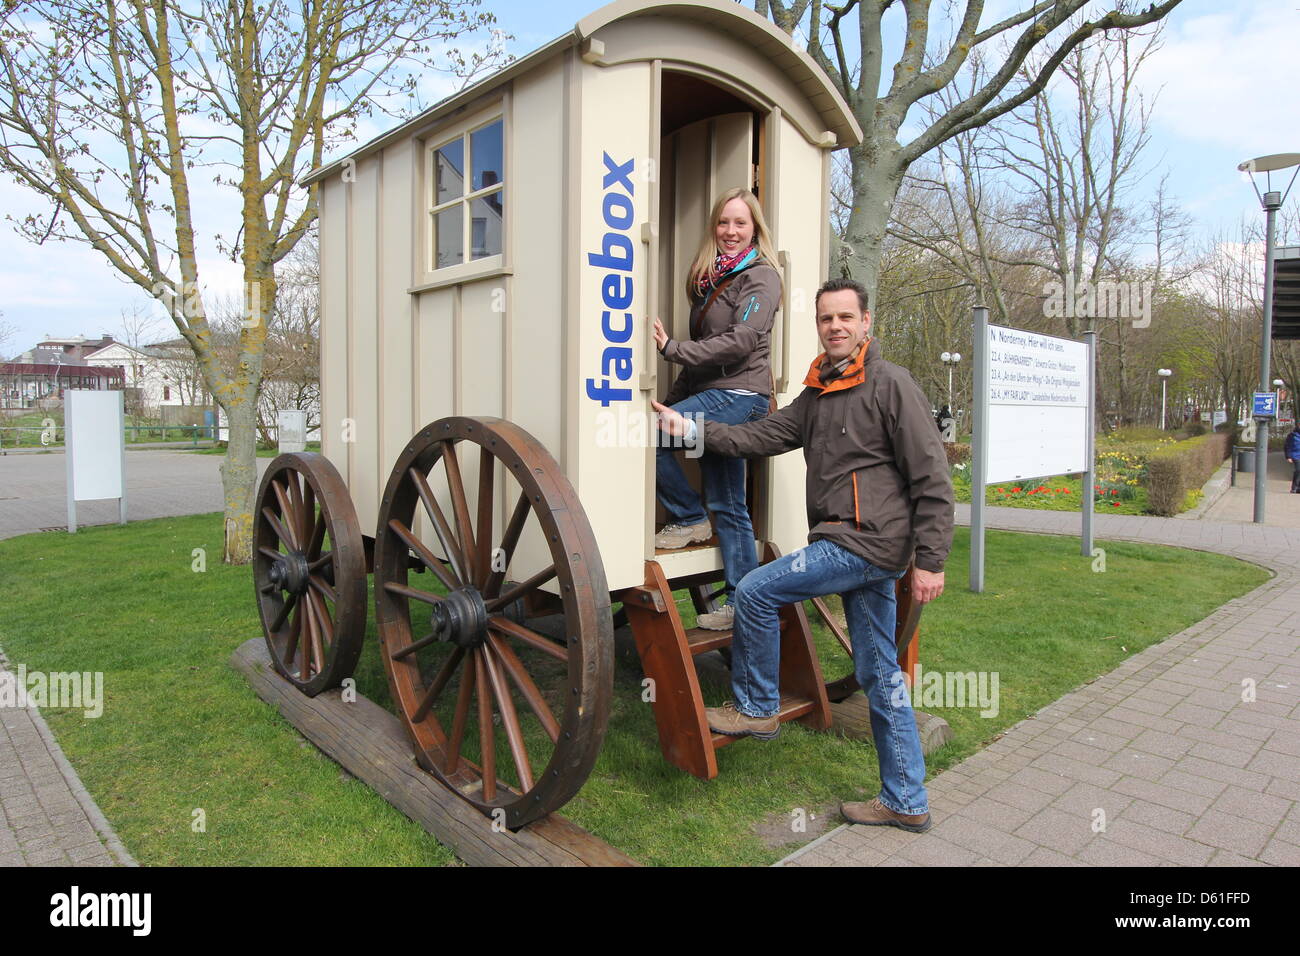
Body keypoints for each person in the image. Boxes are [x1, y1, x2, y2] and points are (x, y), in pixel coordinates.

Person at [652, 277, 954, 833]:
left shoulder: (891, 385)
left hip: (867, 542)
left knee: (757, 589)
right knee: (880, 672)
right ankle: (906, 801)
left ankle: (757, 708)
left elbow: (932, 477)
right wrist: (689, 427)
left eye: (845, 318)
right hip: (851, 544)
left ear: (867, 323)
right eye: (825, 319)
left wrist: (931, 560)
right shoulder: (819, 393)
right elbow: (759, 437)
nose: (835, 327)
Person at [651, 187, 782, 630]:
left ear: (754, 229)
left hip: (741, 397)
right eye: (724, 223)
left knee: (652, 437)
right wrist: (669, 403)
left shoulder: (761, 277)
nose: (730, 231)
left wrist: (672, 348)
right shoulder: (709, 281)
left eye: (740, 223)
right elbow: (706, 357)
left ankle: (688, 517)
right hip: (715, 392)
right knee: (728, 503)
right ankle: (743, 606)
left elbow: (743, 340)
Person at [1286, 423, 1300, 493]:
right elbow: (1287, 446)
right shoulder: (1292, 436)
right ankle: (1294, 487)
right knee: (1298, 470)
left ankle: (1298, 488)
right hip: (1295, 456)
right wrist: (1288, 456)